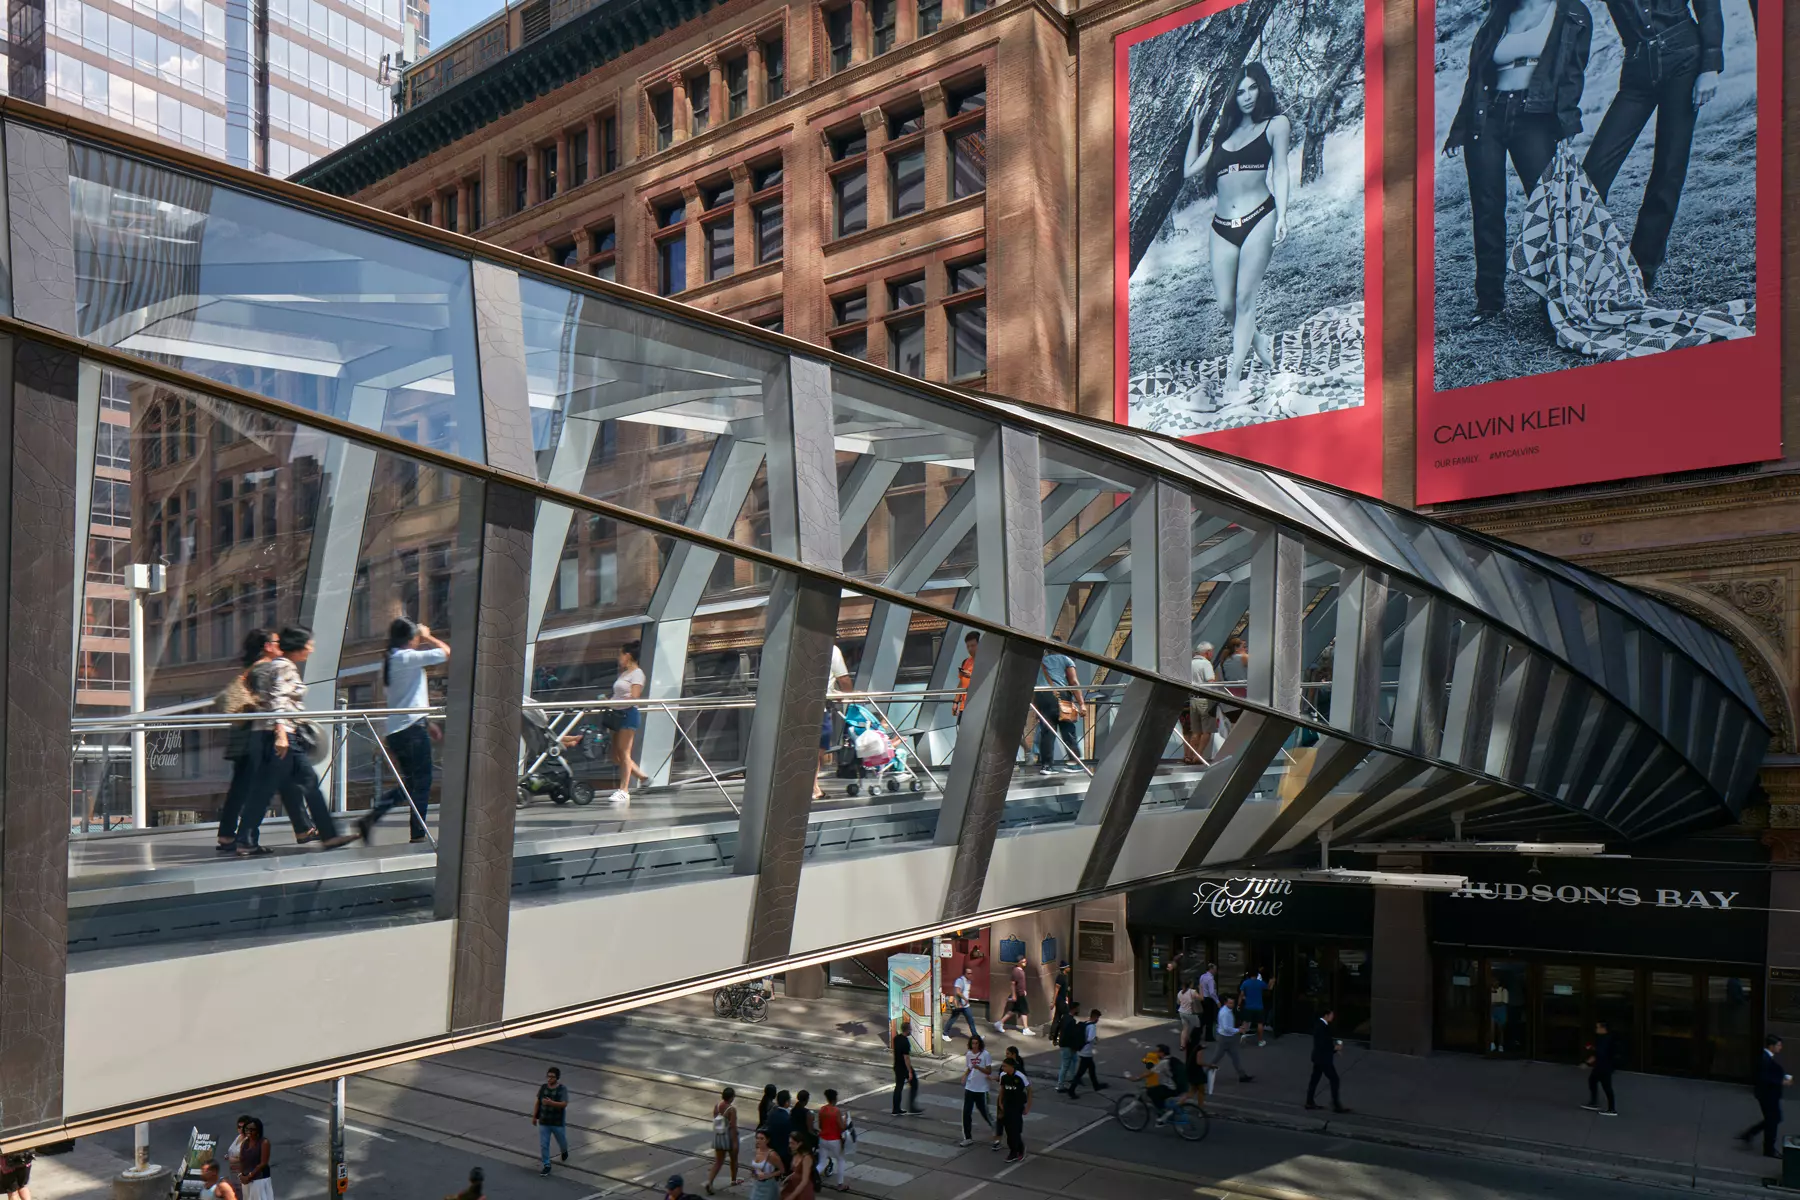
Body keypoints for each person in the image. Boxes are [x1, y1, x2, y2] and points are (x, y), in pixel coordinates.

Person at [1444, 0, 1593, 323]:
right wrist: (1460, 127)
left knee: (1547, 207)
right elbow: (1476, 76)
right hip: (1488, 119)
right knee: (1487, 208)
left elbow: (1572, 73)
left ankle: (1556, 294)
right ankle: (1489, 302)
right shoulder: (1499, 13)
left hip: (1535, 118)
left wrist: (1565, 121)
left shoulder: (1571, 12)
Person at [1582, 0, 1722, 294]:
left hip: (1684, 57)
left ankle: (1640, 273)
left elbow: (1708, 7)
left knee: (1669, 168)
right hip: (1636, 70)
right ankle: (1582, 267)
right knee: (1592, 173)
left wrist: (1710, 65)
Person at [1181, 63, 1291, 404]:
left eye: (1252, 88)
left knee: (1245, 299)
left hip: (1260, 217)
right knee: (1227, 305)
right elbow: (1187, 171)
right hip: (1222, 227)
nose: (1246, 96)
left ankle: (1235, 370)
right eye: (1240, 91)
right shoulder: (1223, 138)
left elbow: (1282, 171)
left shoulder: (1276, 125)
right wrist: (1197, 127)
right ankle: (1258, 341)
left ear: (1262, 88)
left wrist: (1284, 215)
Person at [237, 627, 355, 855]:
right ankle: (329, 836)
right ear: (299, 646)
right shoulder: (284, 666)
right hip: (282, 736)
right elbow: (278, 699)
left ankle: (246, 840)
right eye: (309, 644)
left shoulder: (272, 666)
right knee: (309, 782)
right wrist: (281, 731)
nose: (312, 648)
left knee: (263, 790)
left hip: (264, 734)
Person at [361, 617, 449, 843]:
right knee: (422, 782)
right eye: (416, 638)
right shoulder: (407, 657)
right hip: (411, 731)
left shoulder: (391, 660)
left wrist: (427, 723)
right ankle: (418, 834)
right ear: (410, 638)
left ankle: (372, 817)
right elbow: (446, 652)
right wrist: (428, 635)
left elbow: (406, 699)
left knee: (411, 783)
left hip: (399, 730)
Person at [215, 631, 276, 851]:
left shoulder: (251, 668)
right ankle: (246, 839)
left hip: (241, 736)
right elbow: (265, 702)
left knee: (240, 788)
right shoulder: (263, 669)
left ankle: (227, 835)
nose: (281, 646)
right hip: (253, 738)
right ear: (268, 646)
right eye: (277, 642)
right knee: (256, 789)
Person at [604, 640, 650, 806]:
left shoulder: (637, 674)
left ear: (628, 655)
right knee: (616, 755)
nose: (619, 658)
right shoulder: (623, 674)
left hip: (628, 715)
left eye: (620, 654)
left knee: (624, 753)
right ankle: (642, 776)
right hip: (616, 714)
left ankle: (624, 790)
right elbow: (619, 695)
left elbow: (635, 696)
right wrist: (608, 701)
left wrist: (619, 701)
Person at [1738, 1034, 1791, 1158]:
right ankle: (1768, 1149)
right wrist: (1782, 1081)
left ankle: (1749, 1134)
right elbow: (1764, 1077)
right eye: (1778, 1045)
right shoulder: (1764, 1058)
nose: (1781, 1048)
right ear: (1771, 1046)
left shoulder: (1767, 1057)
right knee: (1773, 1120)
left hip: (1768, 1095)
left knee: (1773, 1119)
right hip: (1767, 1095)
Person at [1033, 652, 1084, 774]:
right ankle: (1074, 762)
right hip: (1060, 695)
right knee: (1067, 729)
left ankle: (1046, 766)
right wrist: (1081, 703)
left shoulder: (1041, 662)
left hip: (1042, 696)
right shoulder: (1065, 659)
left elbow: (1035, 685)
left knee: (1047, 732)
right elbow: (1073, 682)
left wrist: (1036, 707)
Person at [814, 644, 853, 800]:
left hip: (793, 706)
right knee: (818, 749)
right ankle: (812, 788)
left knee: (811, 750)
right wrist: (850, 697)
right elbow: (843, 678)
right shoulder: (831, 649)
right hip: (818, 708)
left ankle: (812, 787)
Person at [1305, 1009, 1348, 1113]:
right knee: (1334, 1079)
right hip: (1323, 1059)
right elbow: (1323, 1044)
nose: (1333, 1017)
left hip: (1319, 1058)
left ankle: (1309, 1102)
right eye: (1332, 1014)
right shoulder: (1321, 1027)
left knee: (1315, 1079)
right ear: (1326, 1015)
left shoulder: (1321, 1025)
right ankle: (1336, 1104)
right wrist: (1335, 1049)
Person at [1206, 996, 1254, 1086]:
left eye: (1233, 1003)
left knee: (1235, 1058)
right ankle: (1204, 1074)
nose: (1232, 1005)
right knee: (1216, 1058)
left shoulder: (1227, 1010)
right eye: (1230, 1003)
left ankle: (1242, 1075)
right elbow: (1226, 1028)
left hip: (1229, 1038)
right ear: (1225, 1003)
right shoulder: (1225, 1013)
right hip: (1224, 1039)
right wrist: (1238, 1030)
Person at [533, 1066, 570, 1176]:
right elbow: (538, 1102)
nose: (549, 1079)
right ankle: (547, 1165)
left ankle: (564, 1151)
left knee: (562, 1141)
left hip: (557, 1122)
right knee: (544, 1144)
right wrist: (534, 1116)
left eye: (552, 1077)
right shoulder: (544, 1088)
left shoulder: (562, 1089)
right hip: (544, 1121)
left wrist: (551, 1103)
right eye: (548, 1076)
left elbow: (564, 1104)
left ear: (557, 1078)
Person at [959, 1034, 995, 1147]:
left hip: (981, 1089)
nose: (974, 1046)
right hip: (970, 1087)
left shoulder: (985, 1055)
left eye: (976, 1043)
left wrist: (978, 1067)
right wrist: (965, 1076)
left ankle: (995, 1127)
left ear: (980, 1044)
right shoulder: (969, 1054)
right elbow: (969, 1067)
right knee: (966, 1113)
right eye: (972, 1043)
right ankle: (968, 1137)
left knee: (984, 1111)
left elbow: (989, 1071)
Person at [996, 1055, 1031, 1164]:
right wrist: (1000, 1102)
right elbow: (1002, 1089)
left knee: (1015, 1130)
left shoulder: (1020, 1076)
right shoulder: (1003, 1076)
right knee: (1008, 1129)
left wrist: (1028, 1107)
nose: (1003, 1068)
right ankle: (1013, 1151)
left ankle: (1018, 1150)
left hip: (1017, 1106)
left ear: (1011, 1066)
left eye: (1005, 1066)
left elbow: (1029, 1090)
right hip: (1007, 1105)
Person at [1186, 642, 1217, 763]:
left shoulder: (1190, 664)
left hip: (1192, 699)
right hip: (1205, 700)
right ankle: (1198, 755)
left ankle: (1190, 754)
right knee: (1206, 731)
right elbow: (1211, 681)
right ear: (1207, 652)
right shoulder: (1206, 664)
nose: (1212, 654)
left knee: (1196, 731)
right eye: (1211, 652)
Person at [1582, 1020, 1619, 1115]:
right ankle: (1594, 1102)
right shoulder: (1603, 1038)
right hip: (1601, 1066)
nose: (1596, 1029)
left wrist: (1587, 1063)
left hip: (1604, 1067)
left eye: (1598, 1027)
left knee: (1607, 1087)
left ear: (1603, 1028)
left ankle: (1611, 1109)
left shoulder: (1605, 1039)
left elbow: (1599, 1053)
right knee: (1592, 1081)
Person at [707, 1085, 739, 1194]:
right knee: (733, 1160)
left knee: (718, 1162)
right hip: (728, 1137)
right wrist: (735, 1143)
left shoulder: (717, 1106)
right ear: (731, 1098)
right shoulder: (731, 1109)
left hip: (718, 1136)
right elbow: (733, 1127)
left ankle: (710, 1182)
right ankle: (734, 1180)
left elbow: (716, 1119)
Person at [817, 1088, 849, 1192]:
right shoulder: (836, 1111)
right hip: (834, 1140)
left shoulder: (822, 1109)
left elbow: (820, 1125)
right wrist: (845, 1120)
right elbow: (841, 1127)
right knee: (840, 1160)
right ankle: (840, 1184)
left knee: (821, 1162)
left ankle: (809, 1179)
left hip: (823, 1139)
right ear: (835, 1099)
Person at [1070, 1009, 1107, 1097]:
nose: (1098, 1020)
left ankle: (1096, 1085)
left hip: (1082, 1050)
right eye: (1098, 1018)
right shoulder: (1092, 1027)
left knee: (1092, 1069)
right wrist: (1095, 1039)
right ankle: (1071, 1090)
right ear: (1096, 1017)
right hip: (1086, 1052)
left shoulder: (1086, 1023)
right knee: (1081, 1072)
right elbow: (1090, 1038)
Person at [892, 1020, 923, 1115]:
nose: (911, 1031)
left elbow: (895, 1052)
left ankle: (896, 1109)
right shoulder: (905, 1042)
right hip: (904, 1068)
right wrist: (909, 1071)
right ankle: (912, 1107)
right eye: (910, 1029)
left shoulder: (896, 1038)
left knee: (899, 1087)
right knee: (914, 1083)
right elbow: (906, 1058)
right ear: (907, 1030)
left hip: (897, 1066)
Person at [236, 1118, 272, 1200]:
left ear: (258, 1130)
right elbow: (241, 1160)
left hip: (260, 1180)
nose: (249, 1131)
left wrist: (249, 1176)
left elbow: (263, 1163)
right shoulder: (245, 1143)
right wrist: (241, 1175)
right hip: (246, 1181)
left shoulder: (264, 1142)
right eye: (247, 1129)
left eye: (252, 1129)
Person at [997, 955, 1032, 1035]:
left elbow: (1020, 983)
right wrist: (1014, 995)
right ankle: (1026, 1029)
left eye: (1025, 961)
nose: (1025, 963)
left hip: (1021, 993)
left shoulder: (1020, 970)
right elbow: (1012, 984)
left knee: (1014, 1010)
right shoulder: (1016, 971)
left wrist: (1024, 990)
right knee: (1024, 1010)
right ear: (1019, 962)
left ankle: (999, 1023)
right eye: (1023, 962)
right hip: (1019, 994)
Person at [746, 1130, 782, 1200]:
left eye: (762, 1138)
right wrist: (754, 1172)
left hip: (768, 1186)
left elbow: (782, 1170)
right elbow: (754, 1169)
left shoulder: (772, 1155)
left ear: (767, 1140)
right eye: (757, 1138)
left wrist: (767, 1175)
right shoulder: (757, 1151)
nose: (758, 1140)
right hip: (757, 1185)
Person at [780, 1133, 816, 1200]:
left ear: (800, 1143)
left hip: (802, 1189)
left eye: (792, 1143)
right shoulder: (795, 1153)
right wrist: (788, 1177)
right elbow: (796, 1171)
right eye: (789, 1143)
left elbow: (805, 1180)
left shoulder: (806, 1158)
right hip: (793, 1185)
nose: (790, 1145)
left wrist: (792, 1196)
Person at [953, 631, 979, 720]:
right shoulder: (966, 662)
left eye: (973, 645)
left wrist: (971, 675)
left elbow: (987, 681)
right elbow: (961, 683)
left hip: (977, 706)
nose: (970, 649)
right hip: (963, 707)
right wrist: (955, 702)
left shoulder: (983, 662)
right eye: (968, 646)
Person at [765, 1091, 794, 1172]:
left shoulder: (772, 1114)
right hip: (784, 1152)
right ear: (787, 1102)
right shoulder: (788, 1118)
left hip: (772, 1148)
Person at [1056, 1007, 1083, 1094]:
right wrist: (1074, 1047)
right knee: (1065, 1065)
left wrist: (1055, 1038)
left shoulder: (1064, 1017)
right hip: (1067, 1046)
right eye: (1077, 1008)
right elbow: (1071, 1035)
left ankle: (1072, 1078)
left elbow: (1058, 1027)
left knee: (1073, 1060)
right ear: (1074, 1009)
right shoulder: (1071, 1021)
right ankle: (1060, 1085)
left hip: (1063, 1044)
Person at [947, 969, 978, 1041]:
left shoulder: (969, 981)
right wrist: (965, 999)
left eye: (971, 973)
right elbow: (957, 992)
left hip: (965, 1006)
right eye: (968, 973)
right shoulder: (960, 980)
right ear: (965, 974)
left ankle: (976, 1037)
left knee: (971, 1021)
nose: (970, 975)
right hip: (959, 1004)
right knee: (952, 1019)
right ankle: (945, 1033)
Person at [1240, 972, 1268, 1045]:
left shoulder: (1245, 983)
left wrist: (1239, 1004)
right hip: (1259, 1007)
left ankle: (1243, 1035)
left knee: (1245, 1022)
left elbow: (1241, 994)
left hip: (1248, 1006)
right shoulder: (1260, 983)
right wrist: (1272, 981)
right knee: (1260, 1023)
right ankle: (1260, 1040)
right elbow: (1269, 988)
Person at [1052, 962, 1074, 1042]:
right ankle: (1061, 1034)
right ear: (1065, 969)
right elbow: (1056, 990)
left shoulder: (1065, 976)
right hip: (1060, 1001)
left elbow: (1064, 989)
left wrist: (1067, 995)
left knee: (1057, 1017)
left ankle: (1053, 1034)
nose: (1069, 968)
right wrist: (1053, 1002)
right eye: (1068, 967)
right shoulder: (1060, 977)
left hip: (1063, 999)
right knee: (1066, 1017)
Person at [1199, 963, 1220, 1043]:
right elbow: (1212, 992)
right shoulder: (1210, 979)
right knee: (1210, 1019)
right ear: (1211, 969)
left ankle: (1198, 1032)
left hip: (1203, 998)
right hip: (1209, 999)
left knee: (1203, 1017)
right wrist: (1217, 1001)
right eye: (1215, 969)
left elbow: (1200, 986)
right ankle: (1209, 1036)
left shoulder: (1202, 976)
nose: (1216, 971)